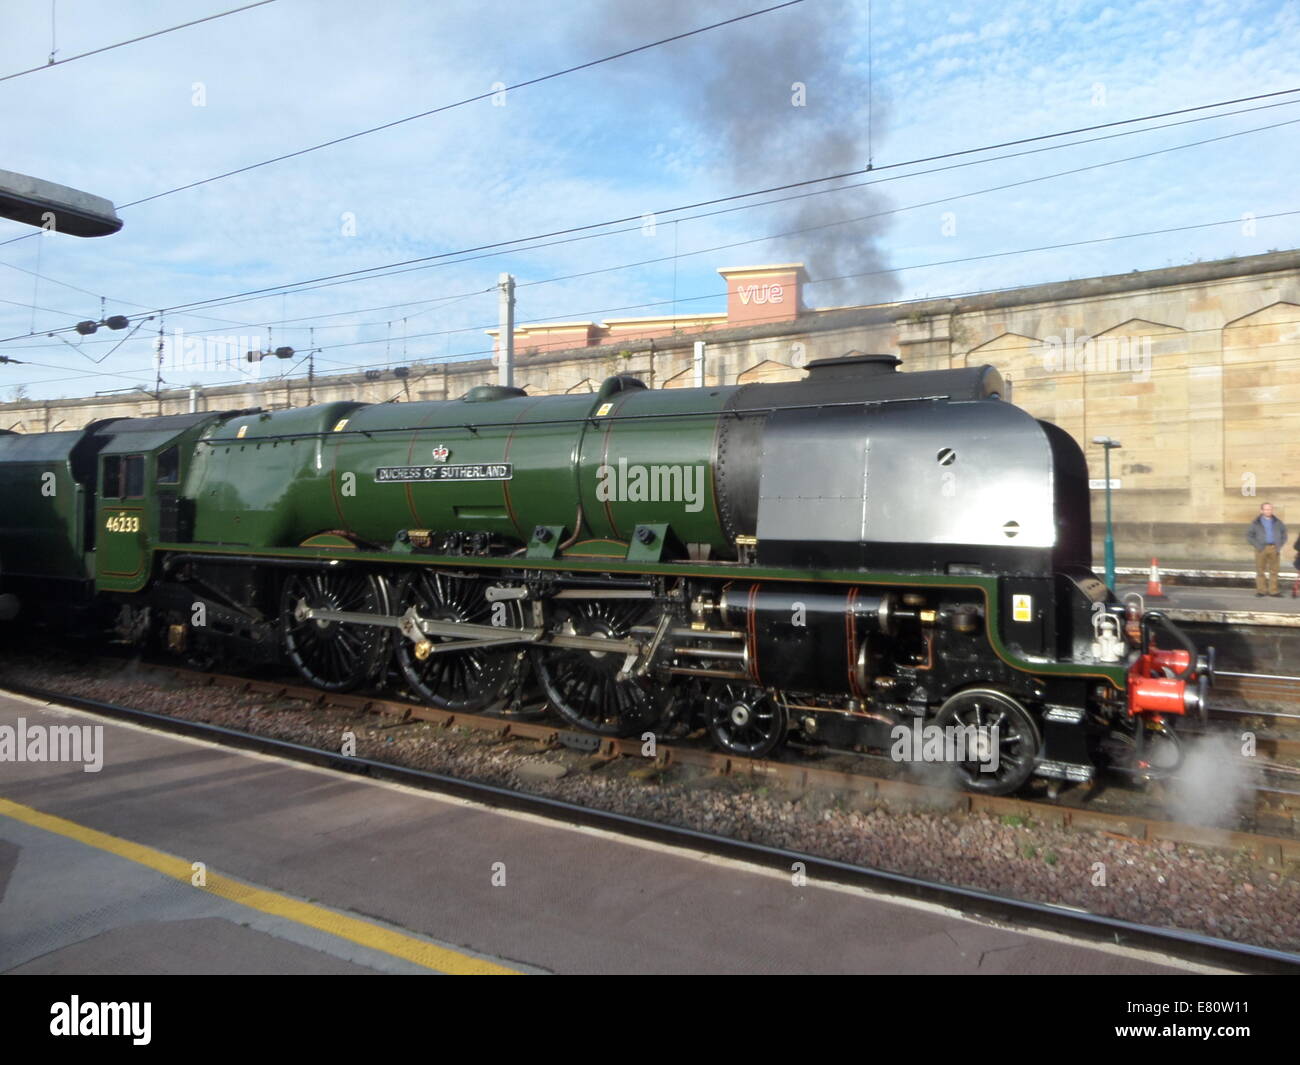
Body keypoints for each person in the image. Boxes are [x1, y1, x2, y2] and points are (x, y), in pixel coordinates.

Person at [1246, 502, 1288, 597]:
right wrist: (1258, 546)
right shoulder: (1256, 522)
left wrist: (1279, 545)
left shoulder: (1278, 522)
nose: (1268, 511)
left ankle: (1273, 591)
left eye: (1270, 509)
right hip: (1261, 549)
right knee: (1260, 570)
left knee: (1274, 570)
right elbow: (1249, 536)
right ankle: (1261, 591)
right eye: (1266, 509)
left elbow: (1284, 534)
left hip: (1274, 548)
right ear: (1262, 510)